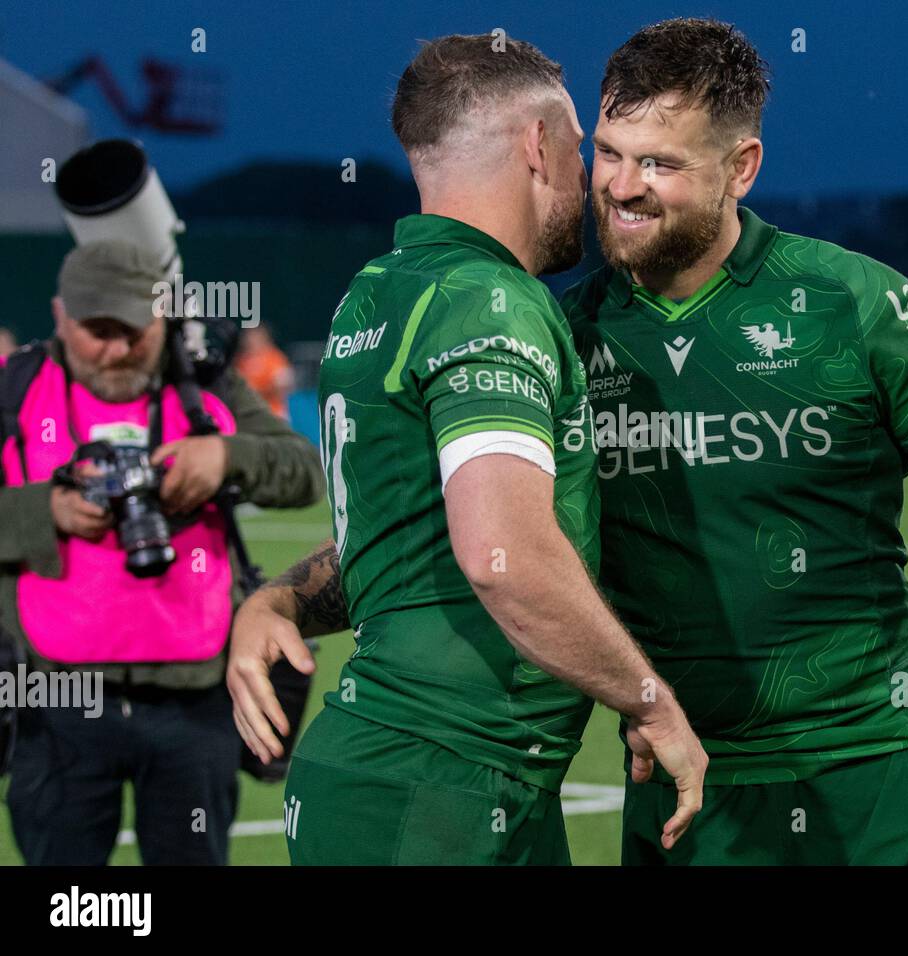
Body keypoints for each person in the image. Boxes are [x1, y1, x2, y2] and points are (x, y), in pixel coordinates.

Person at [234, 19, 908, 866]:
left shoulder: (858, 304)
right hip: (686, 791)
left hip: (880, 774)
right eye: (607, 151)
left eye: (661, 163)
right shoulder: (553, 334)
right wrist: (281, 600)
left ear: (742, 168)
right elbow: (452, 535)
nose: (621, 184)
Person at [228, 34, 706, 866]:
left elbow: (410, 541)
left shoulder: (379, 291)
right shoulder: (487, 298)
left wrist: (280, 598)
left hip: (411, 778)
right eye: (582, 148)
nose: (592, 176)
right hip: (439, 785)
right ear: (537, 145)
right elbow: (500, 555)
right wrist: (650, 701)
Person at [0, 239, 323, 865]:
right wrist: (49, 510)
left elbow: (304, 470)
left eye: (135, 330)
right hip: (54, 698)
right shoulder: (16, 389)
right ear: (60, 314)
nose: (117, 349)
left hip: (195, 697)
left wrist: (228, 456)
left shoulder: (204, 384)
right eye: (98, 330)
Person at [235, 324, 295, 419]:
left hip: (272, 413)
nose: (250, 341)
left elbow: (283, 387)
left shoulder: (275, 358)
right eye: (248, 337)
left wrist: (258, 391)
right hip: (248, 414)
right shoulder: (241, 360)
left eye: (255, 337)